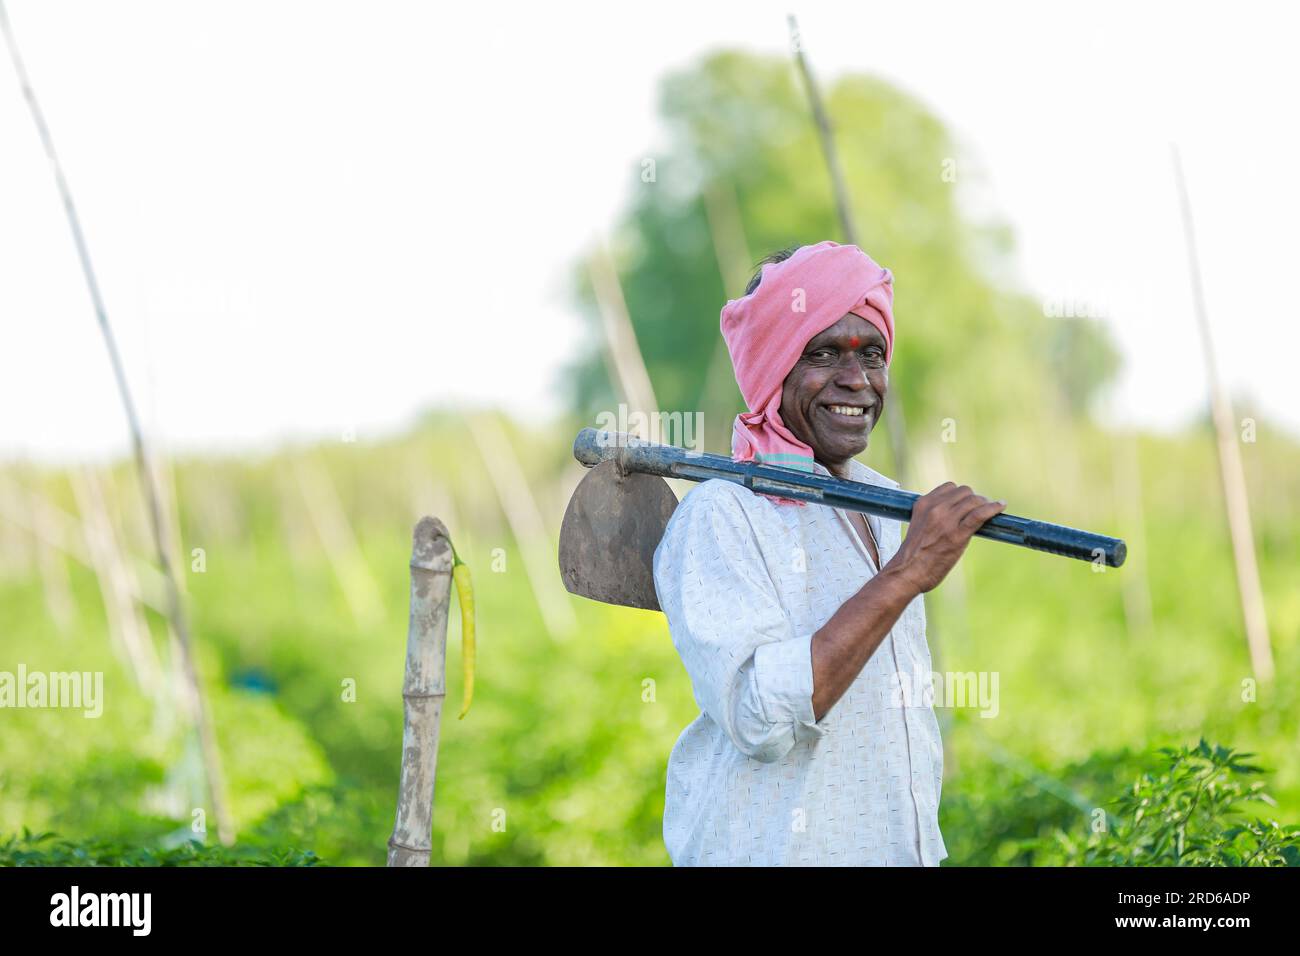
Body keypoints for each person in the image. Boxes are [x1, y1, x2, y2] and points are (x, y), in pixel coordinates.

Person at [652, 240, 1005, 865]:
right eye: (823, 354)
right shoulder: (722, 513)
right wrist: (906, 575)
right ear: (773, 369)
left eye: (873, 355)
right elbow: (761, 719)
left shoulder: (889, 506)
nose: (857, 381)